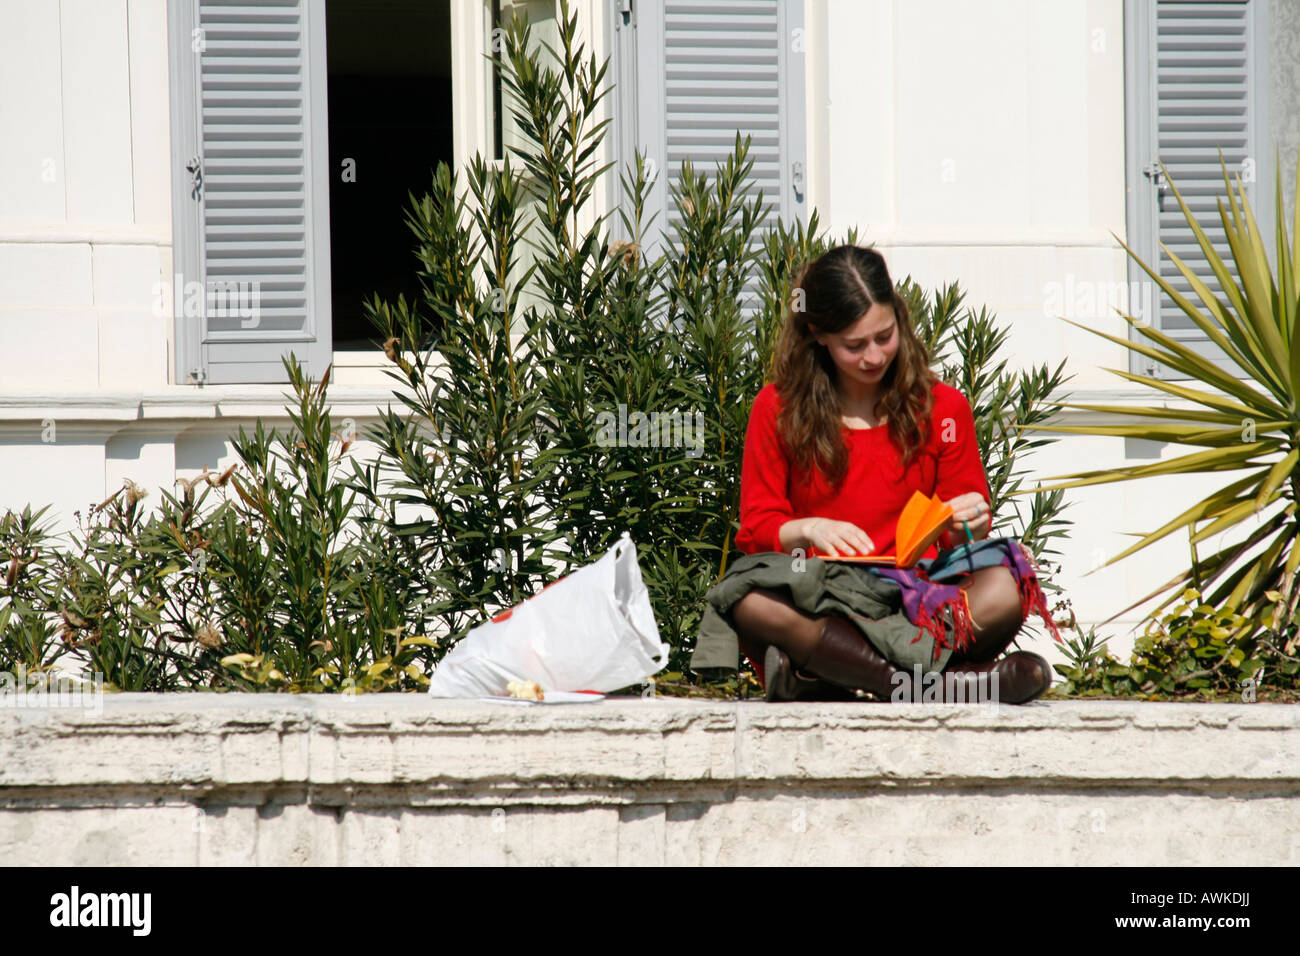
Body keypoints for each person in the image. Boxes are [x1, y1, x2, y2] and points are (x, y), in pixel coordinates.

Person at [697, 244, 1061, 704]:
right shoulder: (777, 408)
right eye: (854, 345)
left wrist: (968, 522)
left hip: (917, 593)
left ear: (900, 321)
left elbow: (961, 529)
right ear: (817, 334)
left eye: (884, 336)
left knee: (1005, 589)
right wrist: (808, 528)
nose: (874, 356)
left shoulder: (944, 406)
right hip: (823, 592)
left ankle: (834, 677)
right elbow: (757, 528)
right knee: (749, 598)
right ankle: (941, 686)